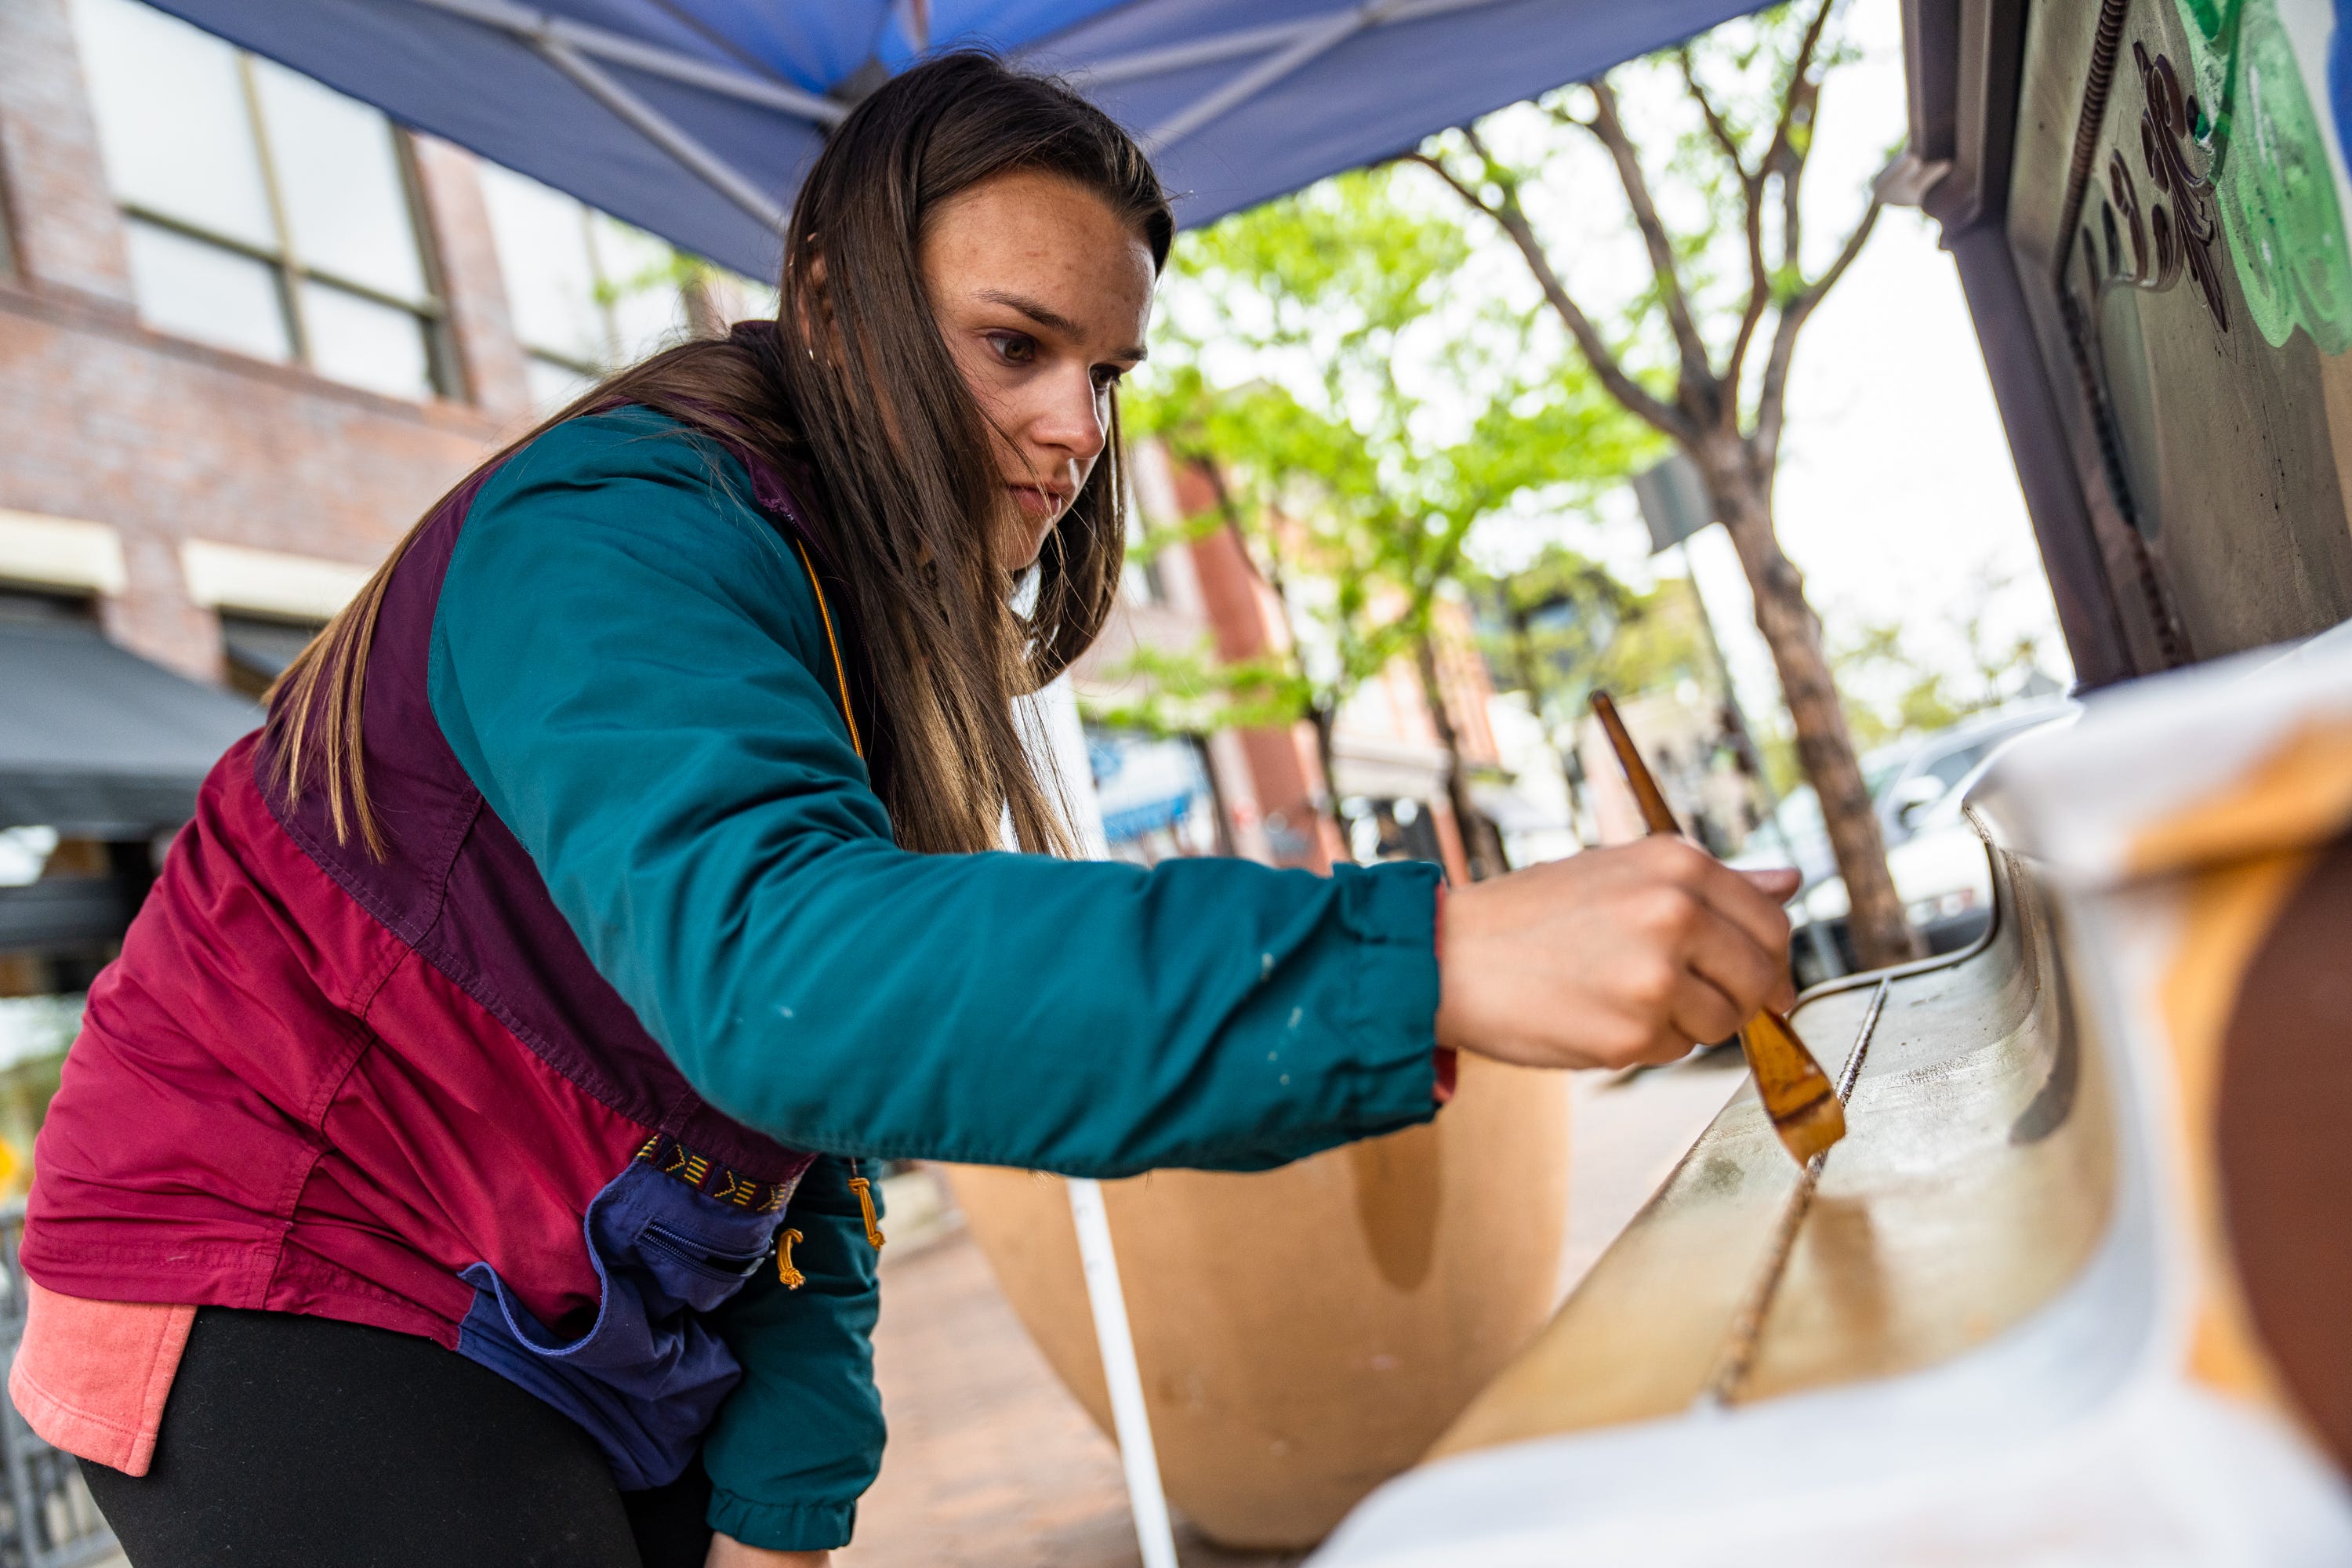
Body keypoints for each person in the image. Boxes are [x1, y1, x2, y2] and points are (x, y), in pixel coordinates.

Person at [11, 52, 1799, 1568]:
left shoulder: (848, 616)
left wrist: (792, 1493)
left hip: (548, 1299)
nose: (1073, 423)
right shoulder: (613, 532)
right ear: (834, 297)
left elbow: (800, 1131)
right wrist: (1431, 956)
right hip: (260, 1260)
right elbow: (788, 986)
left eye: (1106, 372)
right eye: (1015, 343)